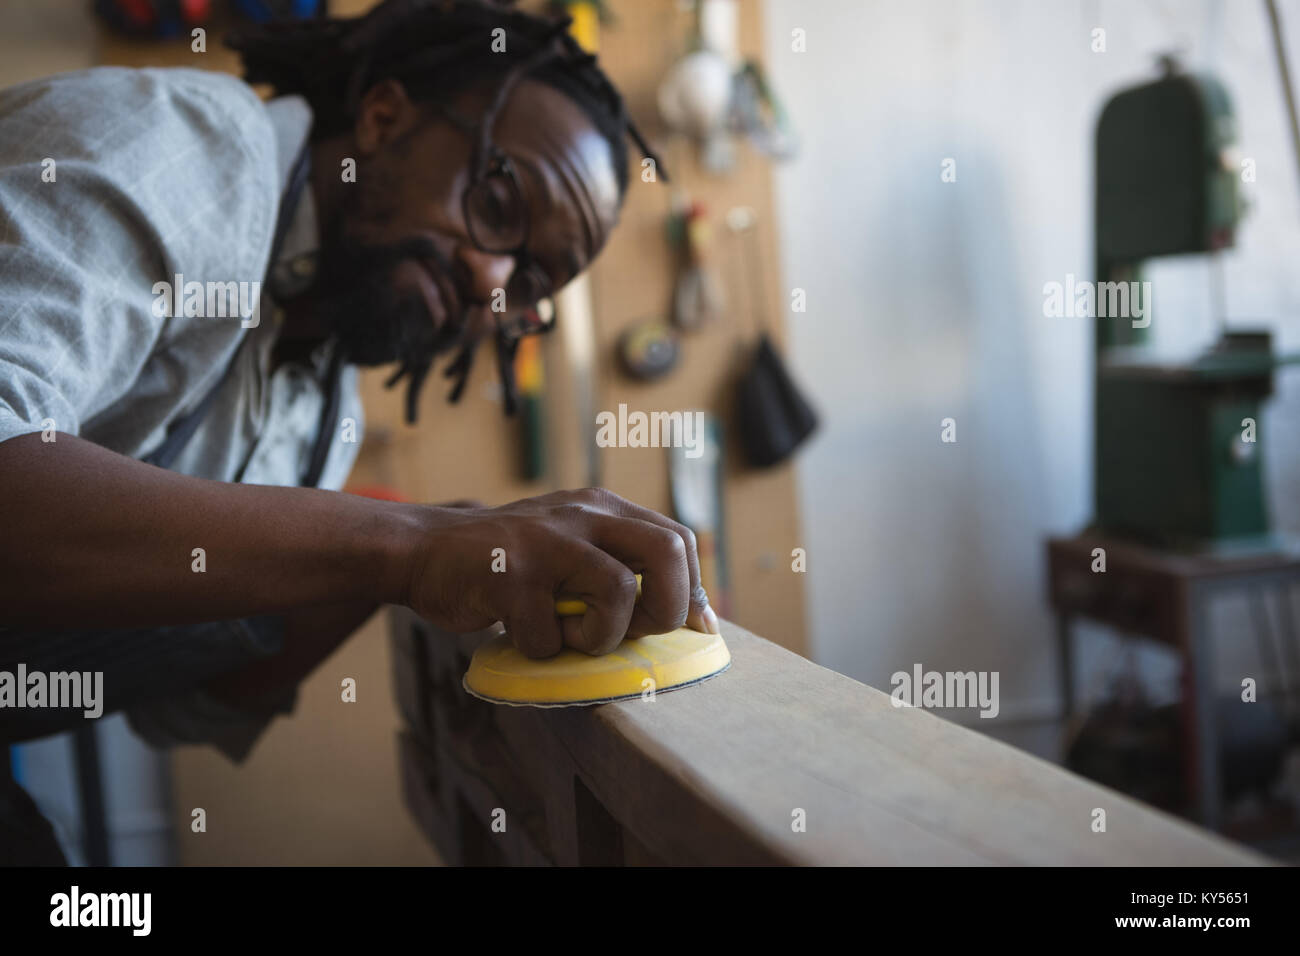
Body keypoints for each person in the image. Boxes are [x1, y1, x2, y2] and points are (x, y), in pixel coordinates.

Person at [0, 0, 718, 864]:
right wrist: (403, 544)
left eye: (528, 282)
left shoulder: (320, 408)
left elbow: (188, 705)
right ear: (381, 118)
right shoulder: (183, 150)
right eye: (497, 202)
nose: (490, 279)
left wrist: (410, 559)